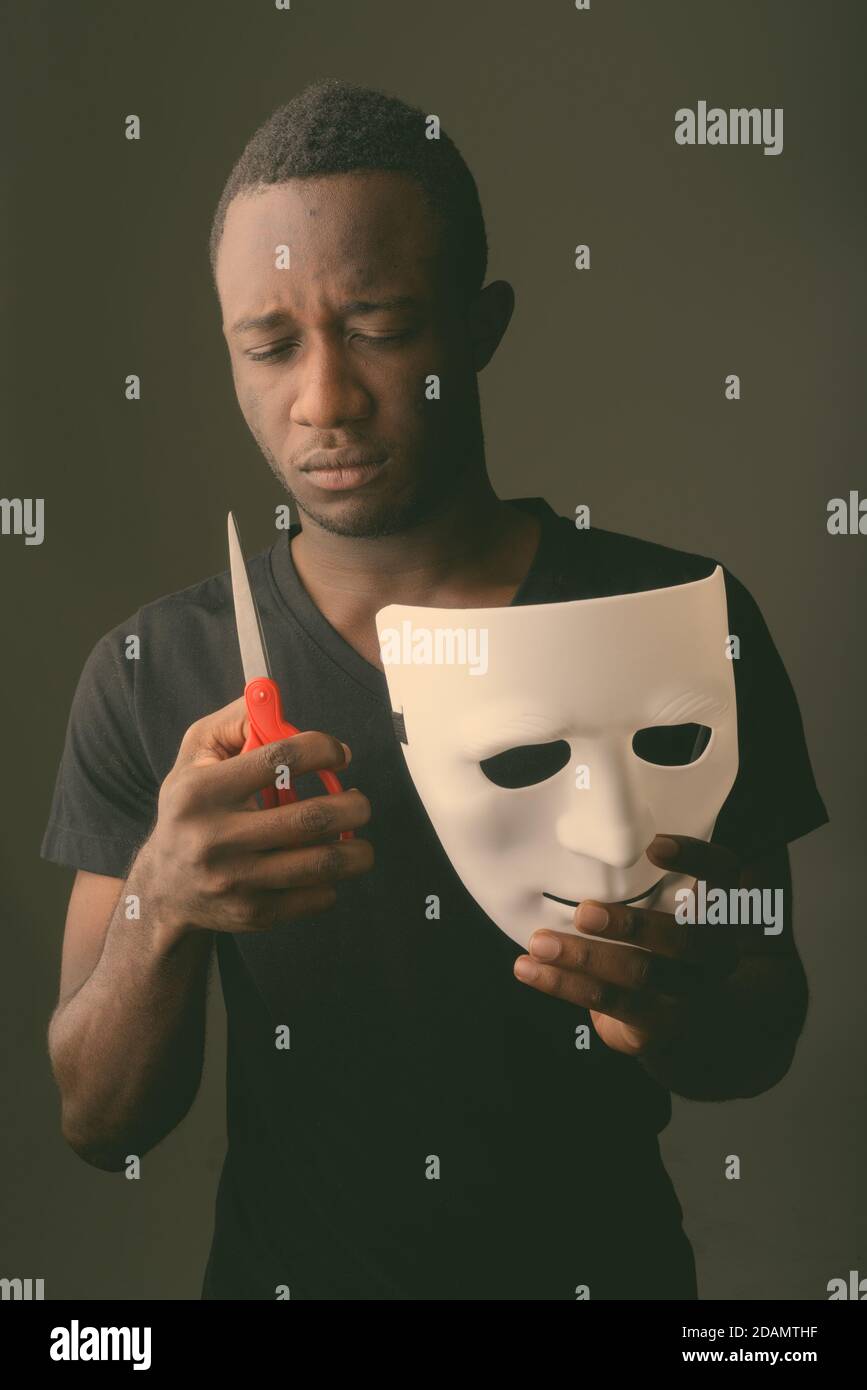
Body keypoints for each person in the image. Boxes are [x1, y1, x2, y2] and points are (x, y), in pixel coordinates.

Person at [41, 79, 829, 1301]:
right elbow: (100, 1124)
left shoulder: (682, 625)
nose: (325, 401)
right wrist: (161, 898)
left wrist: (673, 1001)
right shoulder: (154, 674)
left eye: (380, 326)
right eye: (271, 344)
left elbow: (762, 1034)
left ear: (480, 324)